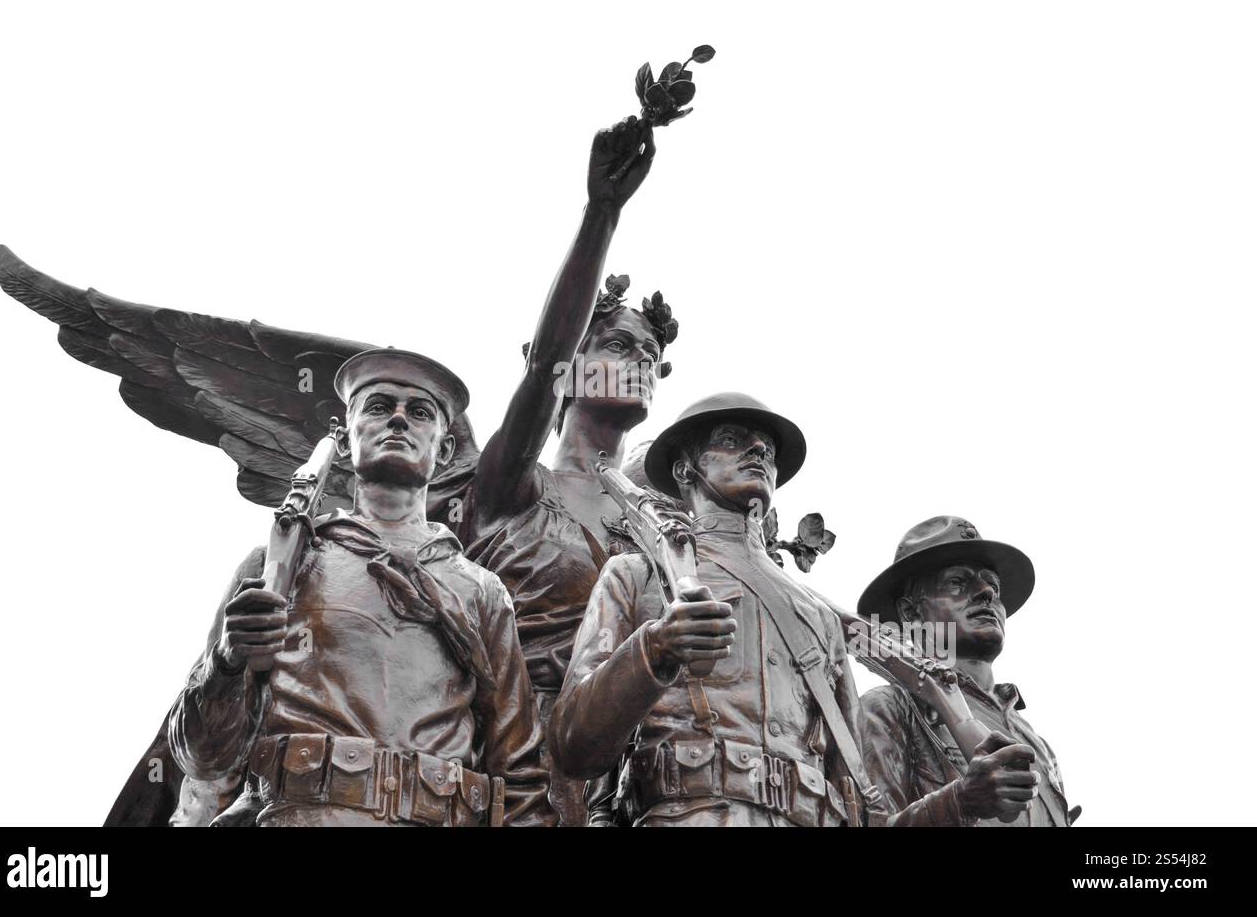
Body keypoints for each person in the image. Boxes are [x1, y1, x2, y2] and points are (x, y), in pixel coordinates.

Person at [168, 348, 554, 826]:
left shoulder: (481, 591)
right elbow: (203, 758)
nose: (398, 420)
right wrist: (228, 662)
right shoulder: (281, 564)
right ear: (346, 443)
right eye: (378, 407)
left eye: (419, 413)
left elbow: (519, 765)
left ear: (446, 450)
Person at [460, 116, 680, 824]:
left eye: (650, 354)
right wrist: (601, 215)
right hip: (501, 769)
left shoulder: (668, 536)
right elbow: (540, 367)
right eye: (617, 343)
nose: (639, 361)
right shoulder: (512, 486)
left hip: (628, 793)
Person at [549, 393, 883, 826]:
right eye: (731, 439)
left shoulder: (818, 617)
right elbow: (573, 746)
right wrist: (656, 647)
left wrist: (960, 799)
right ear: (685, 469)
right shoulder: (636, 575)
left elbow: (857, 795)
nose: (759, 450)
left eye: (767, 447)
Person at [857, 516, 1076, 826]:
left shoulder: (1035, 742)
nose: (987, 592)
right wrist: (960, 802)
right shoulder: (889, 708)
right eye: (957, 582)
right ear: (910, 612)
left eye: (993, 585)